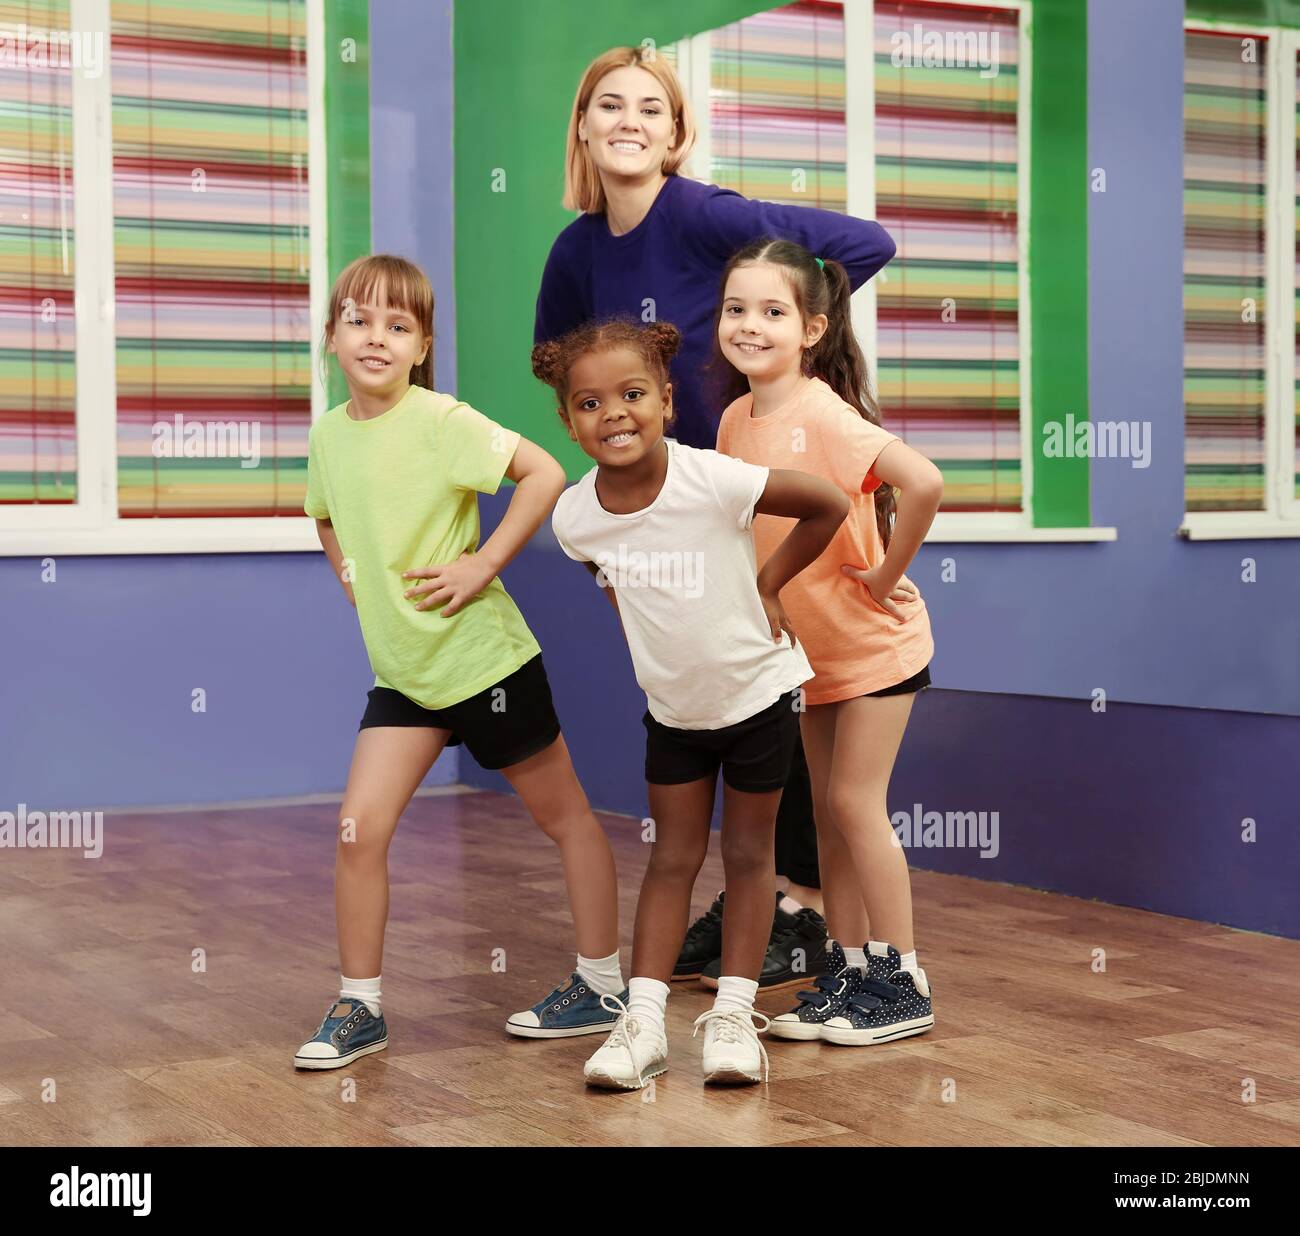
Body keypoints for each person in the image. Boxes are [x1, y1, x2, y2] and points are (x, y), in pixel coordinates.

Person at [534, 43, 898, 986]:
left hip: (755, 484)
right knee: (710, 699)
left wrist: (776, 351)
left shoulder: (704, 213)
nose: (628, 121)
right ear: (581, 126)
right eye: (608, 104)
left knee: (791, 684)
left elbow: (865, 244)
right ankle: (764, 896)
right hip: (667, 515)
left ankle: (804, 907)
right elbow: (565, 363)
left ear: (676, 133)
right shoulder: (576, 250)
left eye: (650, 109)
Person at [294, 255, 624, 1070]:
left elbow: (544, 473)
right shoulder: (329, 434)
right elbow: (325, 515)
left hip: (487, 668)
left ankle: (602, 982)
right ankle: (359, 1005)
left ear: (421, 344)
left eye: (398, 326)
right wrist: (350, 577)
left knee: (564, 817)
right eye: (360, 320)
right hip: (406, 677)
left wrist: (484, 565)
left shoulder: (442, 420)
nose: (377, 337)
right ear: (333, 334)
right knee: (356, 833)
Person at [536, 317, 849, 1088]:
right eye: (588, 403)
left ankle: (736, 1019)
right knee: (671, 859)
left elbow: (829, 503)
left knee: (748, 858)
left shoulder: (714, 479)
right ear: (568, 422)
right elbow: (609, 580)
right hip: (674, 714)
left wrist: (770, 585)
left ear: (667, 402)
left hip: (758, 699)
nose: (613, 412)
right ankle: (641, 1023)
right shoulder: (575, 518)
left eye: (632, 394)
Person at [713, 238, 942, 1045]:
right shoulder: (736, 419)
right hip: (809, 656)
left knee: (853, 802)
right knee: (829, 812)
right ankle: (846, 971)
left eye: (772, 312)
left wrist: (883, 579)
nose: (749, 324)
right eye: (736, 309)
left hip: (876, 647)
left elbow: (925, 483)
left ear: (811, 329)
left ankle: (903, 978)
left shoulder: (823, 414)